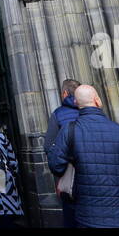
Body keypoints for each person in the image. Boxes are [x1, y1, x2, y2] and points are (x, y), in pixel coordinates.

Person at [46, 84, 119, 227]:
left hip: (87, 216)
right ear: (98, 101)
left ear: (76, 103)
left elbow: (55, 165)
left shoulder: (69, 131)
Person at [43, 78, 80, 227]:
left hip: (70, 178)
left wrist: (60, 174)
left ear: (64, 93)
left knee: (72, 217)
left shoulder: (59, 114)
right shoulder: (93, 112)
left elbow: (49, 147)